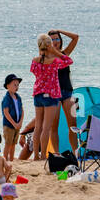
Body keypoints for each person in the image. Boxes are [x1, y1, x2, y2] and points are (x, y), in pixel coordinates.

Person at [29, 33, 72, 161]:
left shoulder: (34, 61)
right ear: (49, 45)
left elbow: (34, 71)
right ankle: (43, 156)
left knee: (38, 127)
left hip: (38, 94)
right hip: (51, 95)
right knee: (46, 128)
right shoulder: (53, 61)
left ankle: (36, 155)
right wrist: (55, 51)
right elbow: (69, 61)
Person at [49, 29, 81, 153]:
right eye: (52, 39)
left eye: (57, 38)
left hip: (68, 93)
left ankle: (75, 153)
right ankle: (56, 154)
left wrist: (59, 31)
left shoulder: (64, 54)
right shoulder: (46, 57)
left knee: (73, 125)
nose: (55, 41)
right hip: (53, 94)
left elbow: (76, 36)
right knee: (54, 127)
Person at [1, 74, 24, 161]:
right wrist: (14, 124)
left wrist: (20, 123)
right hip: (9, 125)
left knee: (14, 144)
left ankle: (11, 160)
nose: (17, 86)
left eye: (18, 85)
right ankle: (5, 159)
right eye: (14, 84)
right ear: (8, 86)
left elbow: (22, 111)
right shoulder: (7, 98)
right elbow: (6, 113)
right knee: (8, 143)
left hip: (17, 124)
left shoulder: (18, 97)